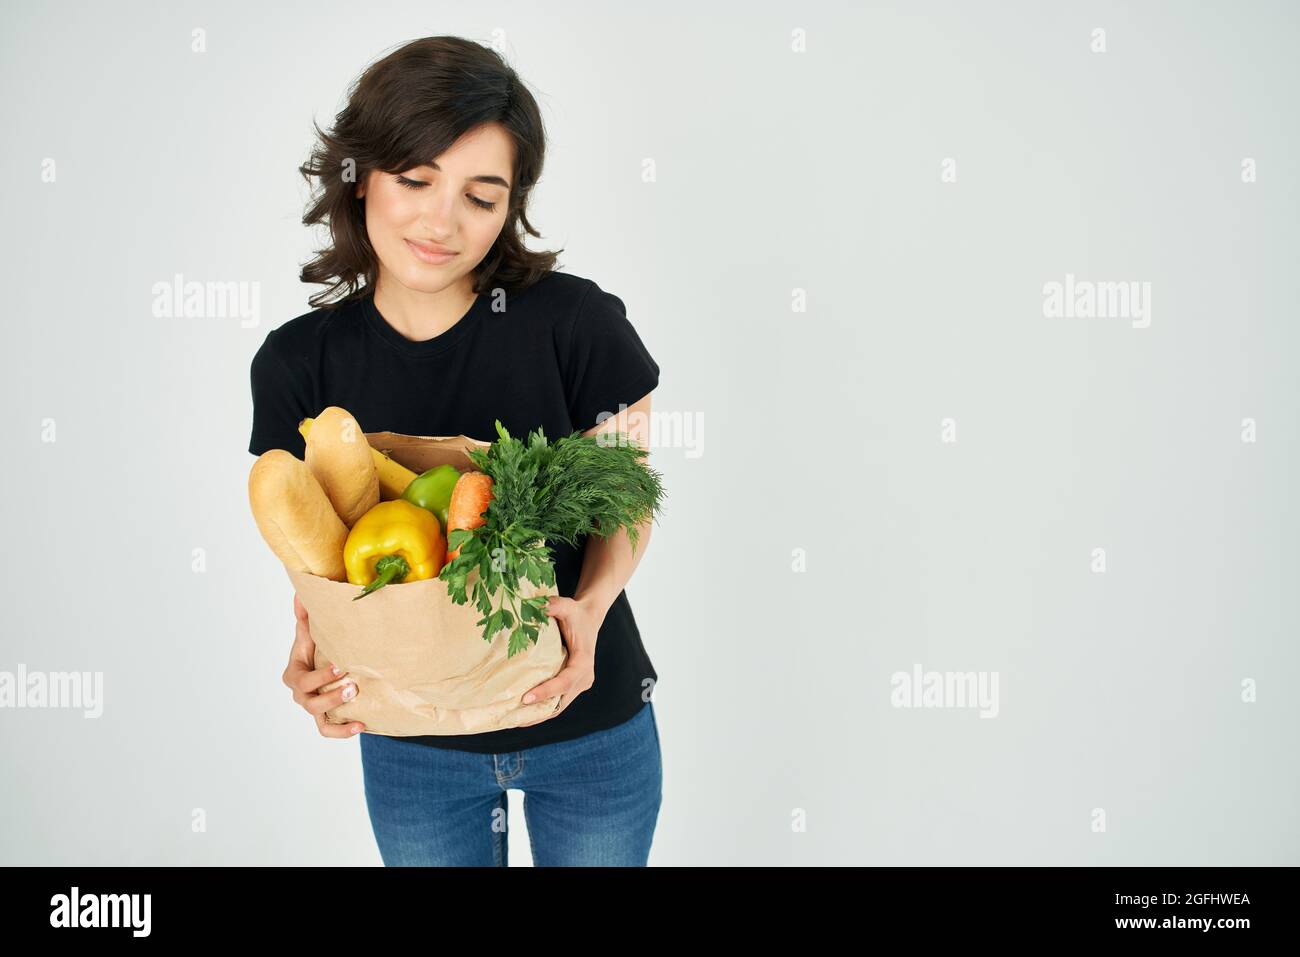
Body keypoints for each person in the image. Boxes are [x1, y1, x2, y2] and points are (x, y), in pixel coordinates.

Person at [248, 36, 663, 866]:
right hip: (413, 743)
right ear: (360, 174)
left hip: (587, 716)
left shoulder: (576, 325)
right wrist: (310, 655)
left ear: (510, 205)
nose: (442, 222)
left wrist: (590, 608)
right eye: (415, 180)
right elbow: (317, 560)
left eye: (481, 195)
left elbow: (626, 496)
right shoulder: (300, 362)